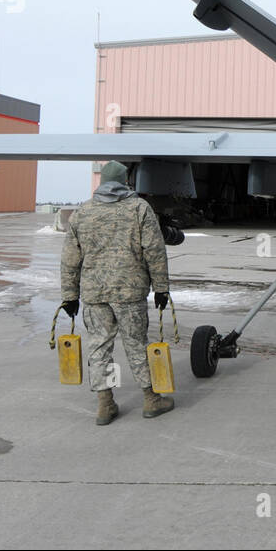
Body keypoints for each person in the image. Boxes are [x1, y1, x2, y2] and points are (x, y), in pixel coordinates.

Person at [59, 160, 173, 425]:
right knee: (137, 345)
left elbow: (70, 259)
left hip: (94, 294)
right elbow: (155, 251)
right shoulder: (139, 208)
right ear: (125, 181)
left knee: (99, 347)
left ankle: (105, 403)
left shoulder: (83, 212)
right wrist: (161, 288)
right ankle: (151, 399)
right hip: (130, 291)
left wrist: (69, 295)